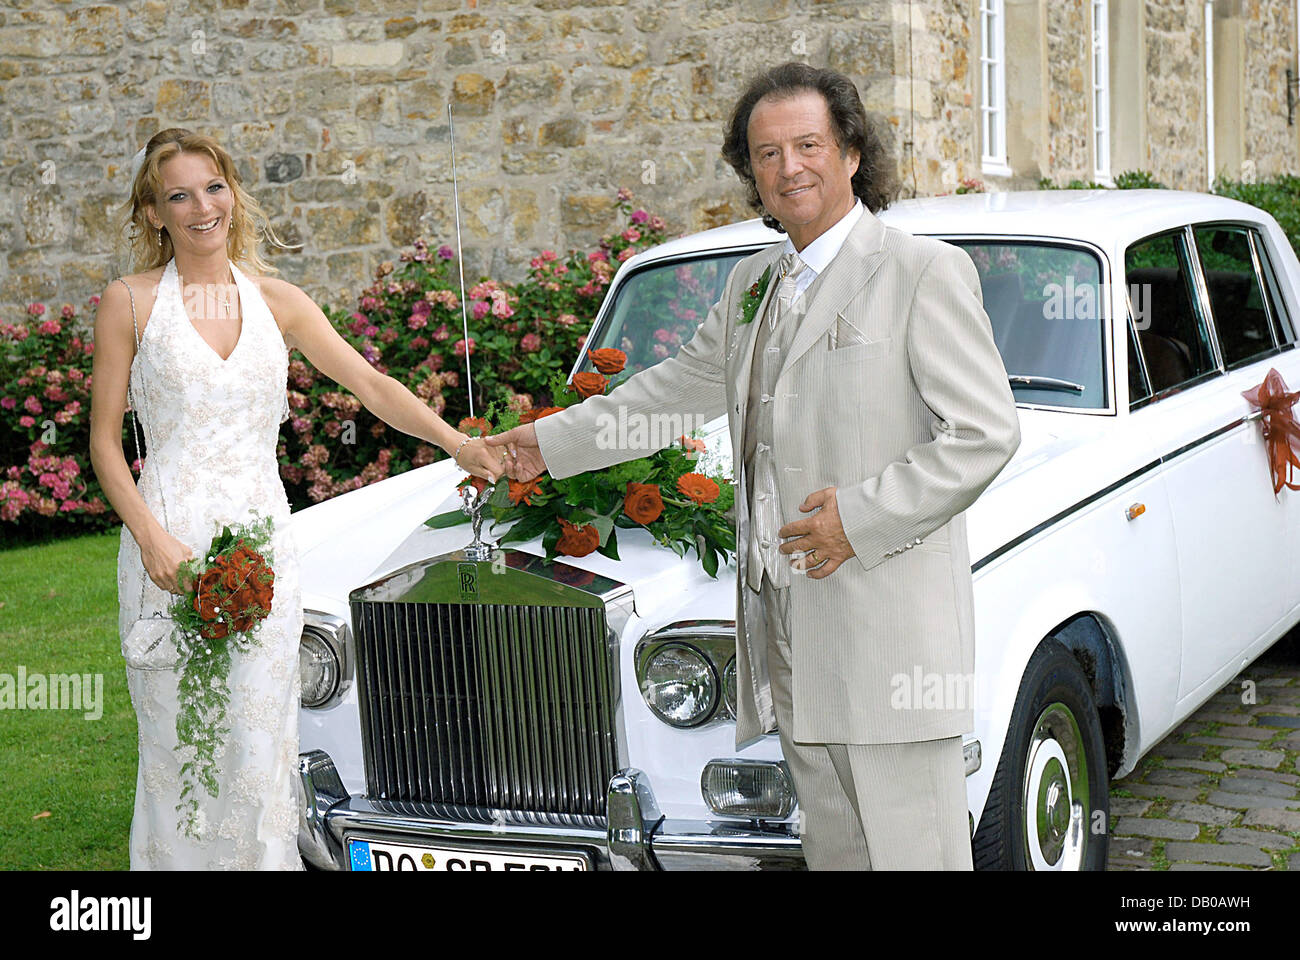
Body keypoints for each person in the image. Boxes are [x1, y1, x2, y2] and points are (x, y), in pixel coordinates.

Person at [487, 63, 1021, 869]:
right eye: (766, 153)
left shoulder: (921, 272)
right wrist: (548, 442)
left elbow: (984, 434)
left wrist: (860, 518)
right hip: (790, 639)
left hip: (890, 643)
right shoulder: (752, 284)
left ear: (850, 155)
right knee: (836, 853)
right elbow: (671, 392)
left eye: (808, 145)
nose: (788, 168)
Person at [88, 127, 508, 869]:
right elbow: (103, 444)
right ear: (153, 213)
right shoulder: (130, 303)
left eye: (213, 188)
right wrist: (151, 538)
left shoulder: (279, 302)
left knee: (257, 742)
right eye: (178, 196)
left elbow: (372, 385)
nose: (201, 207)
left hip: (261, 547)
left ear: (233, 194)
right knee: (182, 741)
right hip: (170, 547)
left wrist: (459, 444)